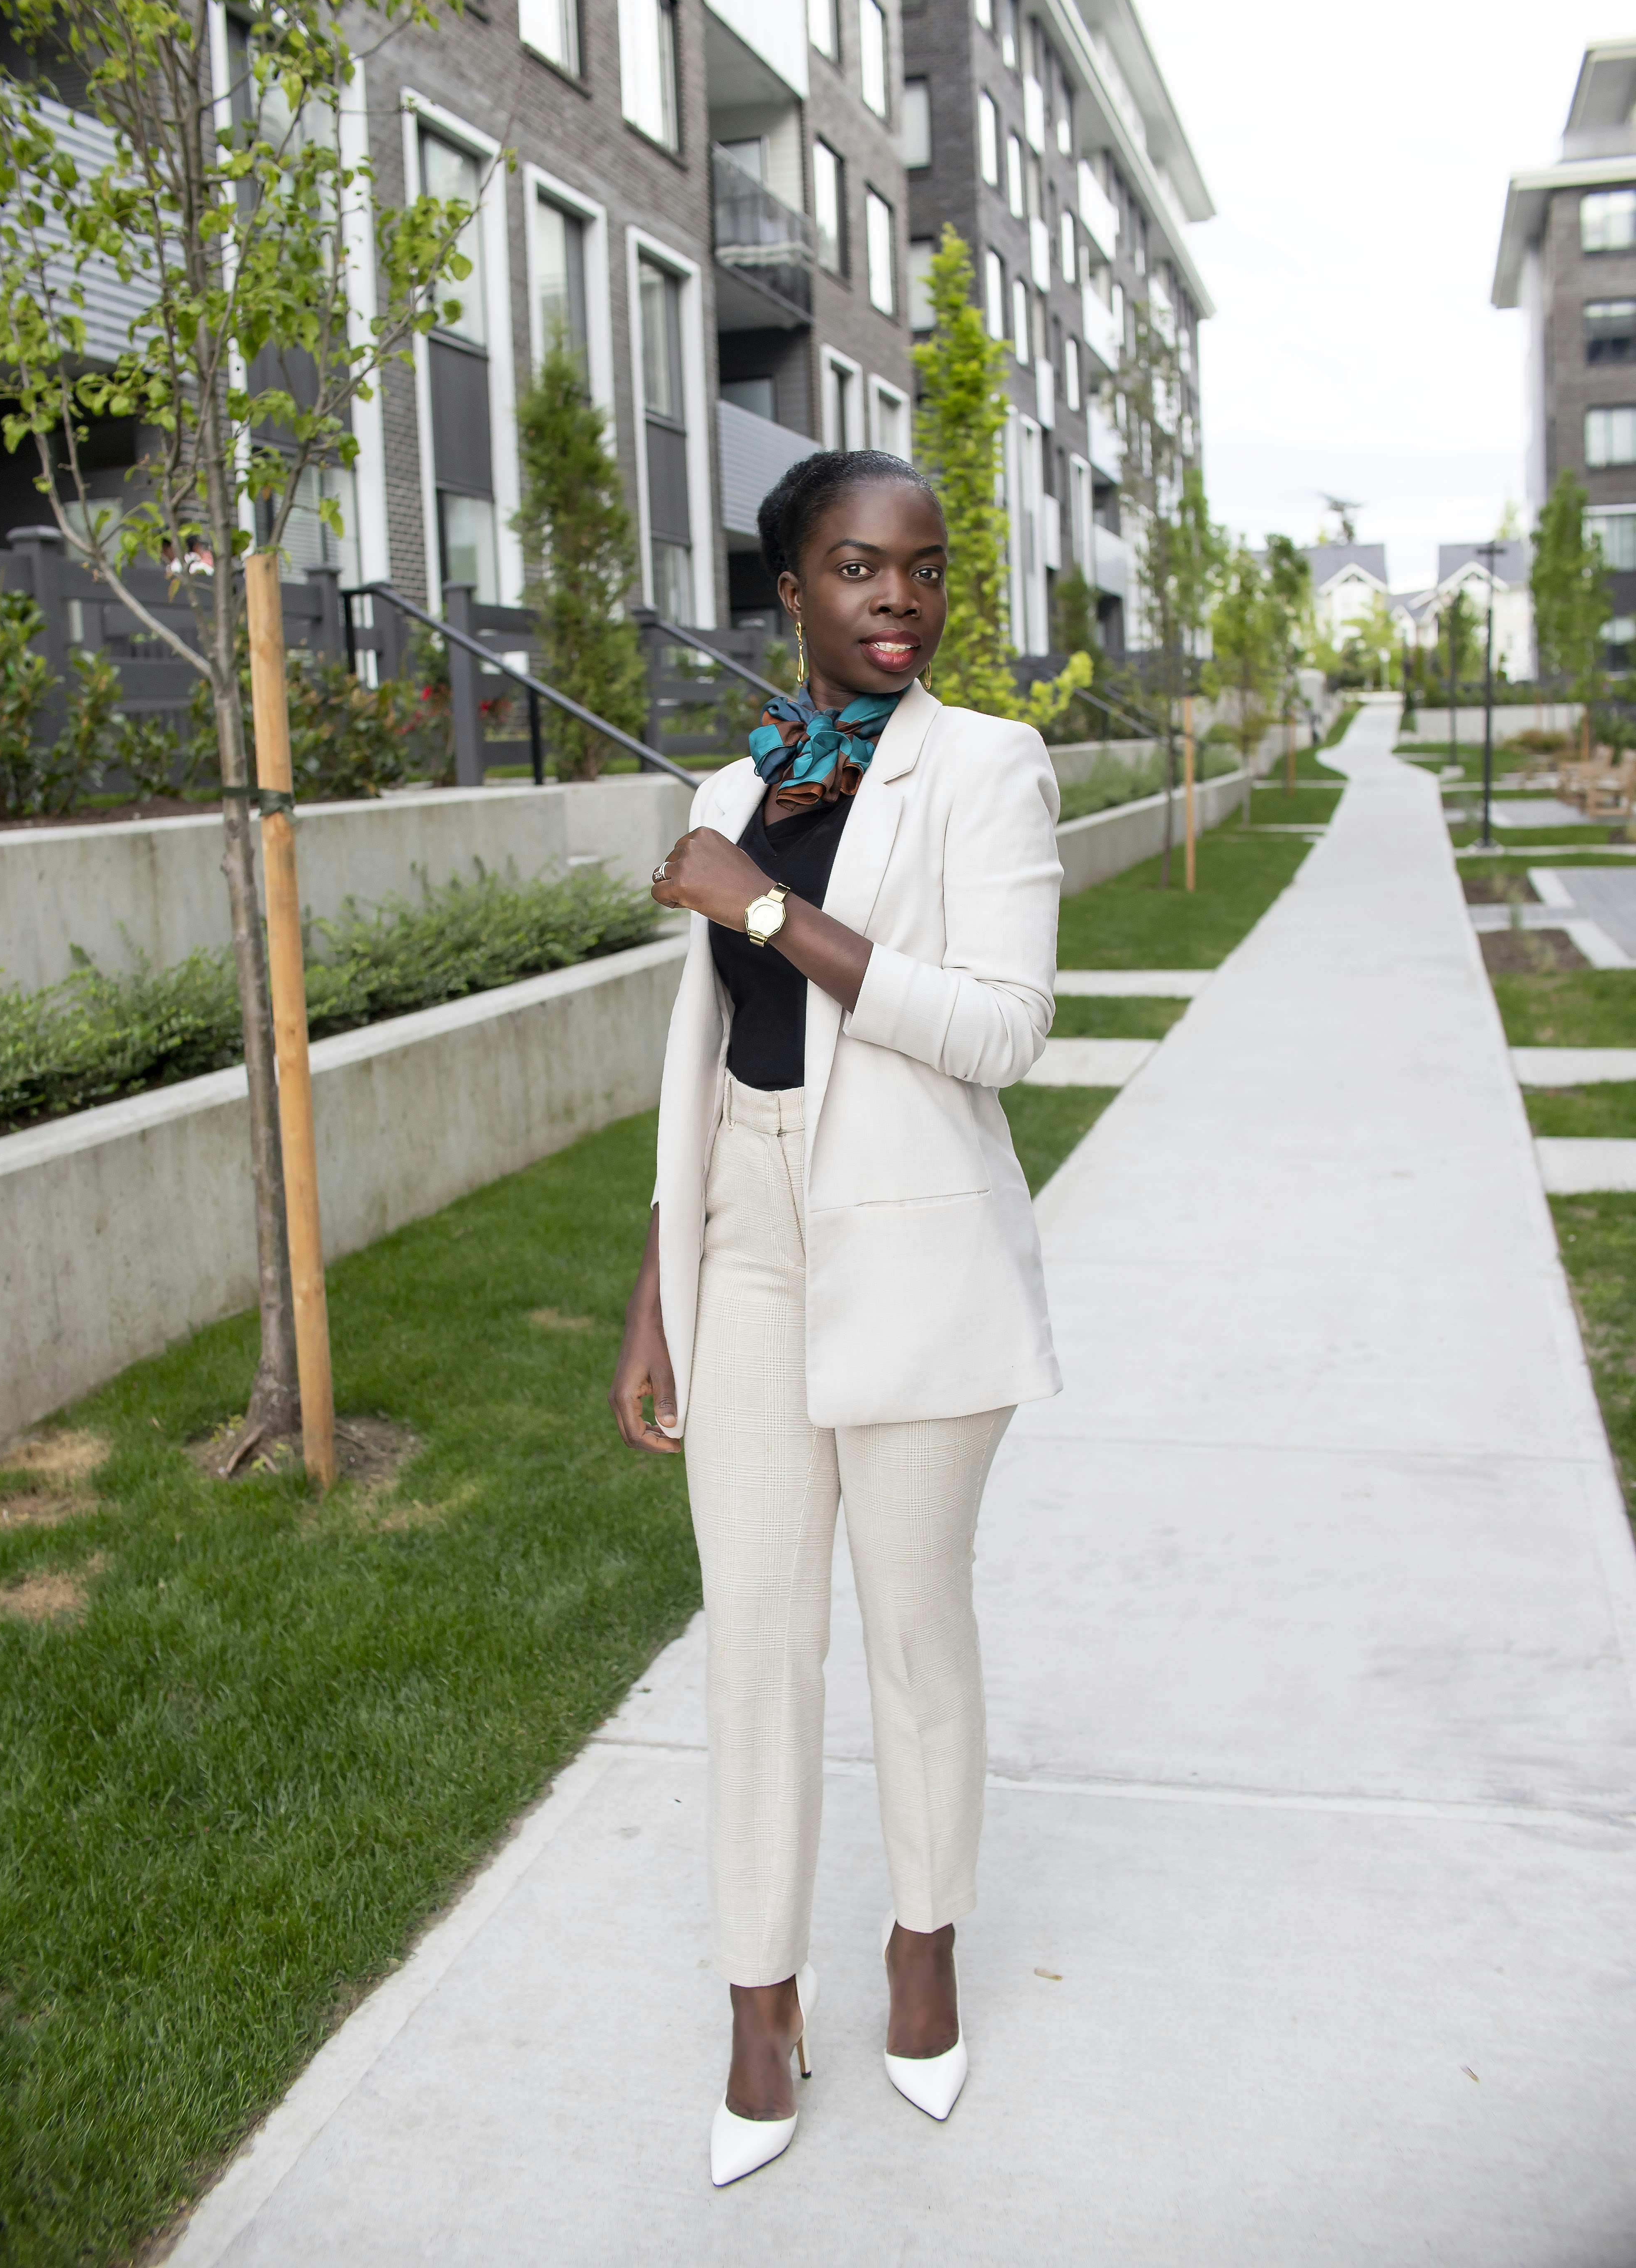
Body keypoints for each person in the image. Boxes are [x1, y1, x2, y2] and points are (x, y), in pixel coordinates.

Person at [609, 447, 1063, 2188]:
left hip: (914, 1235)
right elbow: (713, 1051)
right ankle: (758, 1997)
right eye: (859, 568)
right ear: (788, 588)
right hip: (744, 1220)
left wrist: (766, 907)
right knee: (752, 1635)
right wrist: (660, 1285)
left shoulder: (985, 767)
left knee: (913, 1629)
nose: (899, 599)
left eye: (923, 569)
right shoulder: (739, 778)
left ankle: (922, 1946)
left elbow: (999, 1028)